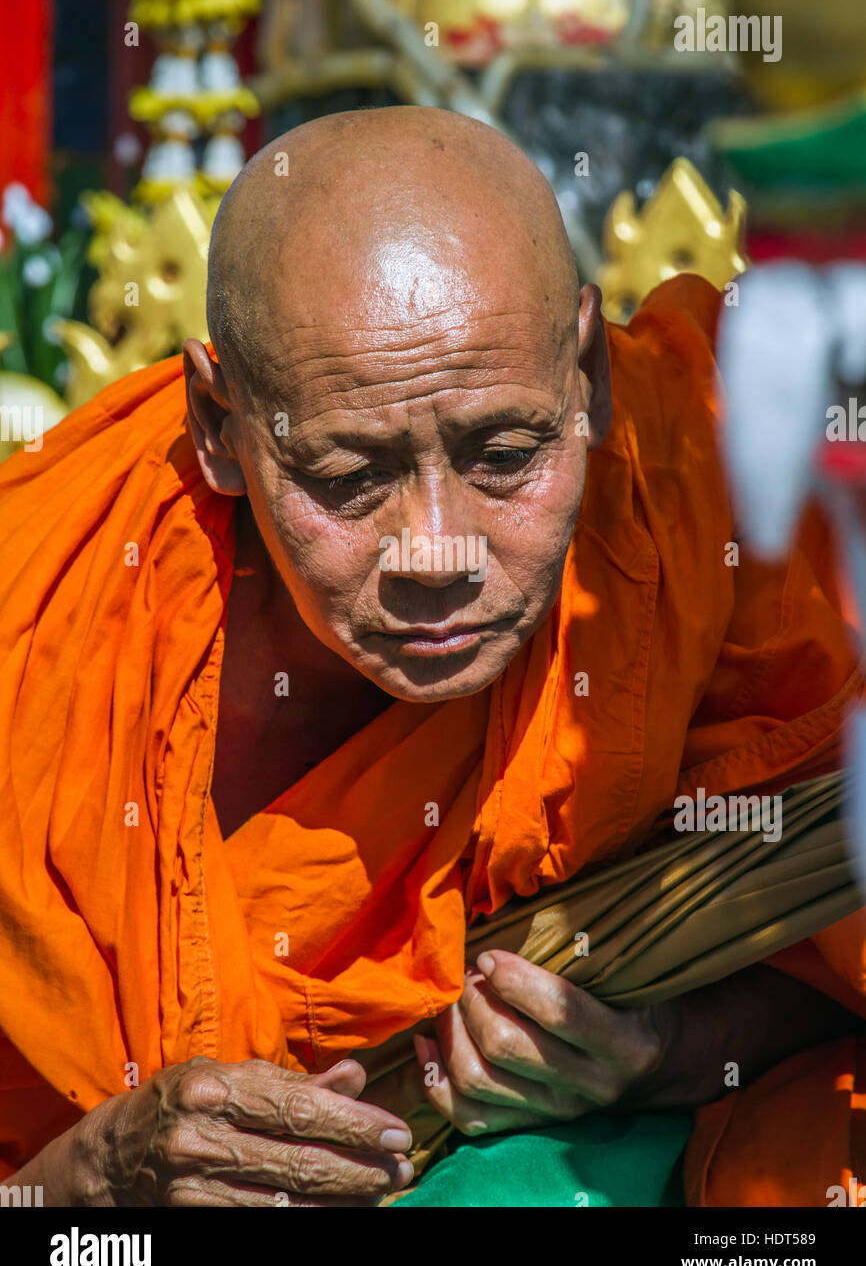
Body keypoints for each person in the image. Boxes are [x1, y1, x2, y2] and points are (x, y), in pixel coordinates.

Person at [0, 107, 863, 1208]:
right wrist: (84, 1181)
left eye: (504, 454)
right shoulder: (40, 623)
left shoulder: (703, 502)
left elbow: (832, 942)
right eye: (349, 477)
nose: (437, 551)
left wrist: (667, 1047)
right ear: (219, 424)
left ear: (587, 378)